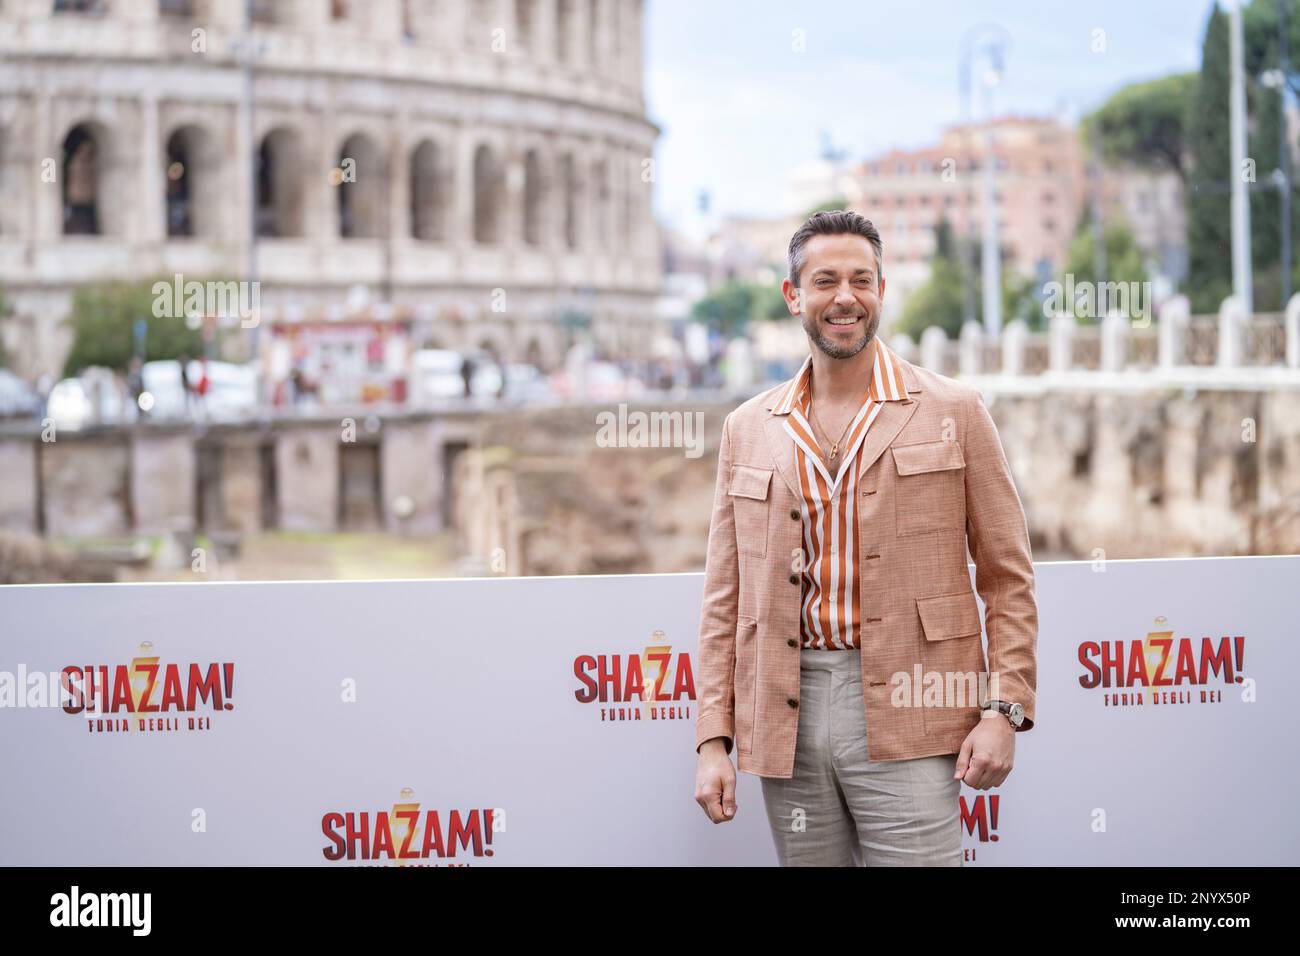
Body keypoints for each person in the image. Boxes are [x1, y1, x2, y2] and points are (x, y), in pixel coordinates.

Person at [692, 210, 1038, 866]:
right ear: (793, 295)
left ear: (881, 290)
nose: (845, 297)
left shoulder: (955, 410)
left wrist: (1004, 709)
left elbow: (1007, 575)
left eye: (861, 280)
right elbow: (723, 598)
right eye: (825, 281)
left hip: (915, 706)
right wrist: (713, 740)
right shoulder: (748, 427)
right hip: (786, 717)